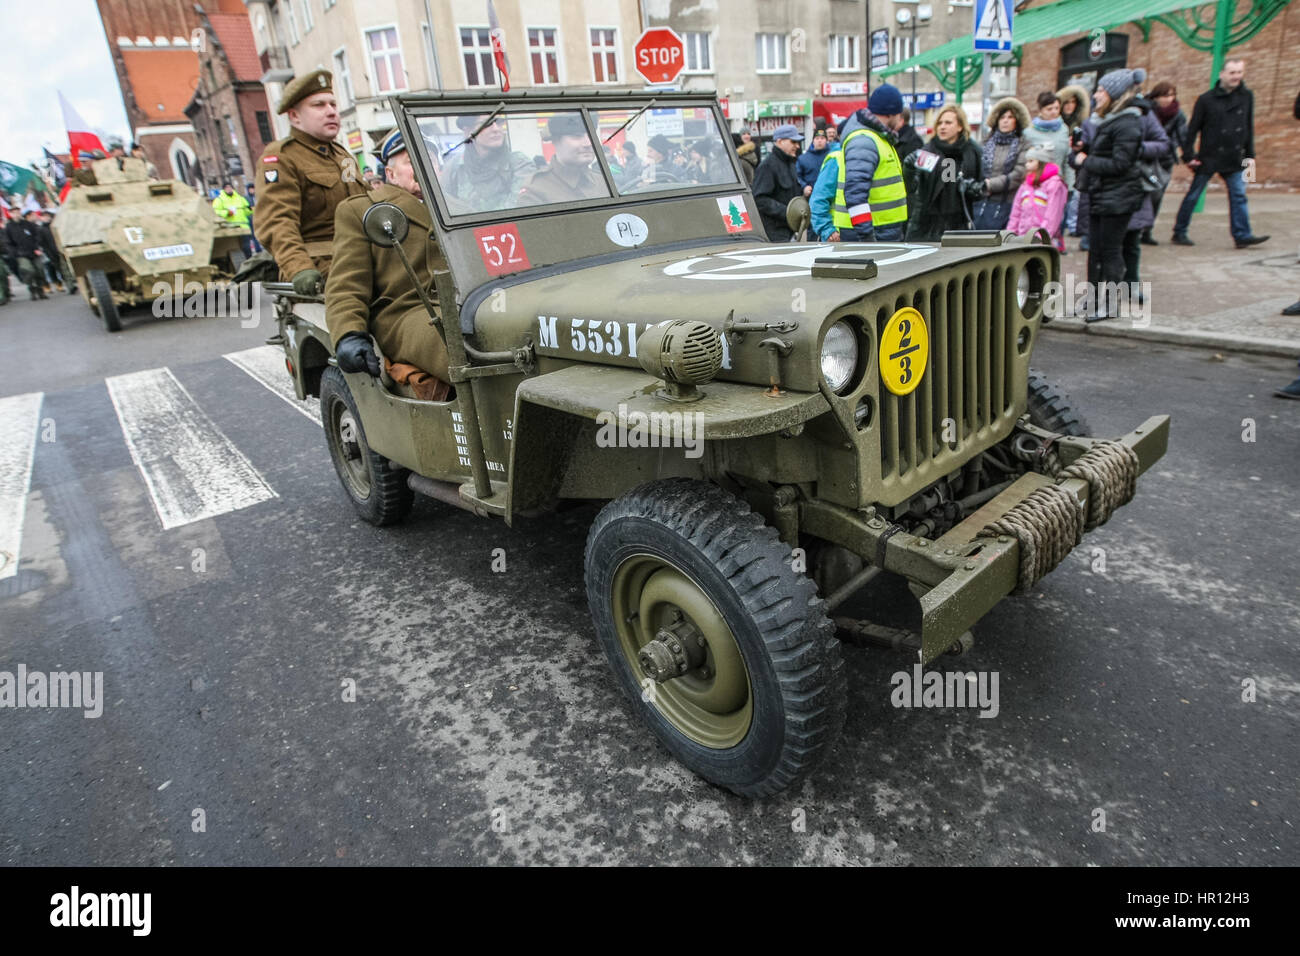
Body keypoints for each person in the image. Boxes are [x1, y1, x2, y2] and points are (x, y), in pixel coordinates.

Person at [327, 129, 451, 402]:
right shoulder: (362, 211)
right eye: (411, 161)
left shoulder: (459, 205)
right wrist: (348, 334)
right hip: (407, 313)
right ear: (391, 174)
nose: (424, 167)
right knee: (465, 343)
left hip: (469, 303)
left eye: (431, 160)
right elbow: (347, 283)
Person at [254, 69, 369, 296]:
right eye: (319, 105)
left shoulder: (342, 155)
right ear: (295, 117)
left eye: (333, 105)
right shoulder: (281, 157)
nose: (331, 112)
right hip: (320, 266)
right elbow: (277, 222)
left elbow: (364, 206)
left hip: (361, 256)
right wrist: (299, 268)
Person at [1070, 68, 1147, 322]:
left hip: (1118, 197)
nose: (1096, 95)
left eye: (1102, 91)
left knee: (1111, 251)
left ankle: (1110, 304)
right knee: (1096, 250)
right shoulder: (1110, 120)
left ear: (1115, 94)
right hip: (1102, 195)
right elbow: (1106, 155)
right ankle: (1092, 299)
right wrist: (1084, 149)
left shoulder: (1128, 123)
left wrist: (1086, 159)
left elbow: (1120, 164)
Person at [1172, 59, 1268, 248]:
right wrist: (1189, 156)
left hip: (1235, 157)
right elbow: (1192, 130)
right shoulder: (1206, 99)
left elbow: (1248, 127)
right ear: (1222, 74)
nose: (1236, 77)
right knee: (1194, 195)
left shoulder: (1247, 96)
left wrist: (1250, 158)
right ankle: (1179, 232)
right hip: (1209, 156)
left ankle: (1242, 235)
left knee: (1239, 195)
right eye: (1232, 73)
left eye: (1239, 72)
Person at [836, 83, 909, 241]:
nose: (899, 119)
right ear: (890, 114)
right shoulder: (865, 141)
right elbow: (855, 194)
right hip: (872, 233)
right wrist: (868, 239)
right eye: (898, 114)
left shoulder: (875, 138)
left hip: (879, 230)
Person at [903, 105, 984, 241]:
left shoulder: (972, 151)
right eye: (939, 123)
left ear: (960, 127)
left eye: (948, 123)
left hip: (960, 224)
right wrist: (909, 169)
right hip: (928, 226)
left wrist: (972, 188)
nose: (942, 127)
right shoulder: (928, 151)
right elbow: (911, 187)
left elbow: (981, 184)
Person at [1122, 92, 1171, 291]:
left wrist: (1139, 148)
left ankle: (1131, 282)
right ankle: (1106, 288)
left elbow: (1162, 143)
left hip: (1135, 181)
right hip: (1109, 183)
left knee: (1132, 237)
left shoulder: (1144, 113)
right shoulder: (1102, 113)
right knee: (1108, 245)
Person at [441, 113, 535, 212]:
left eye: (498, 122)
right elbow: (447, 210)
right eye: (486, 123)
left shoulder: (519, 163)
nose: (495, 129)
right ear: (468, 131)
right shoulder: (454, 168)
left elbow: (519, 207)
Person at [517, 115, 607, 205]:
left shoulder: (602, 181)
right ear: (555, 140)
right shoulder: (536, 190)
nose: (588, 143)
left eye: (591, 135)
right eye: (577, 136)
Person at [1143, 81, 1188, 246]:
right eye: (1165, 95)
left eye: (1172, 95)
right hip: (1147, 160)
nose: (1169, 99)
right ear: (1156, 97)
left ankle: (1146, 230)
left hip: (1164, 162)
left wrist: (1189, 156)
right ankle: (1136, 227)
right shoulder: (1147, 112)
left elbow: (1183, 136)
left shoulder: (1177, 114)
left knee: (1157, 195)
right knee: (1145, 193)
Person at [975, 98, 1029, 229]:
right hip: (982, 202)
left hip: (1008, 202)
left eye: (1010, 117)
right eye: (1002, 117)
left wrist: (990, 184)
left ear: (1017, 120)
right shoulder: (985, 142)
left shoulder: (1023, 144)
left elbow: (1020, 173)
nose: (1005, 120)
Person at [1006, 146, 1067, 251]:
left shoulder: (1054, 184)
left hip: (1042, 239)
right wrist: (1010, 234)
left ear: (1041, 162)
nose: (1026, 164)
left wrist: (1043, 237)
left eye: (1031, 161)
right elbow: (1016, 212)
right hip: (1023, 237)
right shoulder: (1025, 185)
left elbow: (1053, 215)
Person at [750, 123, 803, 241]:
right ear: (779, 142)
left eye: (797, 142)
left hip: (789, 231)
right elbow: (760, 199)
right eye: (793, 142)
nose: (797, 146)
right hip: (774, 233)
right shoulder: (768, 166)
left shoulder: (790, 164)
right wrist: (787, 212)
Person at [1056, 84, 1092, 237]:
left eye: (1073, 102)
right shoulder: (1057, 124)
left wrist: (1080, 147)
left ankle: (1069, 229)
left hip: (1075, 167)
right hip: (1057, 166)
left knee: (1071, 199)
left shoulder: (1082, 124)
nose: (1070, 106)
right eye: (1067, 102)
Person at [4, 210, 47, 299]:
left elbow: (37, 236)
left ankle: (40, 290)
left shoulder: (27, 224)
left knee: (39, 270)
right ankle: (31, 288)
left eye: (18, 212)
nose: (16, 214)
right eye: (14, 212)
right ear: (11, 214)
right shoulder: (9, 227)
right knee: (29, 270)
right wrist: (15, 253)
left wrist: (37, 247)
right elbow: (8, 243)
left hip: (33, 251)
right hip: (21, 254)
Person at [212, 182, 254, 257]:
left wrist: (250, 210)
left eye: (230, 187)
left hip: (243, 226)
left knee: (247, 247)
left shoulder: (240, 198)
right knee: (236, 249)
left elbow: (246, 210)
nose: (229, 189)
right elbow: (216, 211)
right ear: (224, 189)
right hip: (230, 228)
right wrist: (227, 213)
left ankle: (250, 262)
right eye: (226, 188)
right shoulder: (219, 200)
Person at [795, 125, 830, 197]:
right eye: (817, 138)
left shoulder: (832, 156)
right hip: (811, 196)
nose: (819, 140)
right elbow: (797, 176)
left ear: (826, 141)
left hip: (830, 195)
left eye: (822, 138)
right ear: (813, 141)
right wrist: (804, 186)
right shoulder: (803, 159)